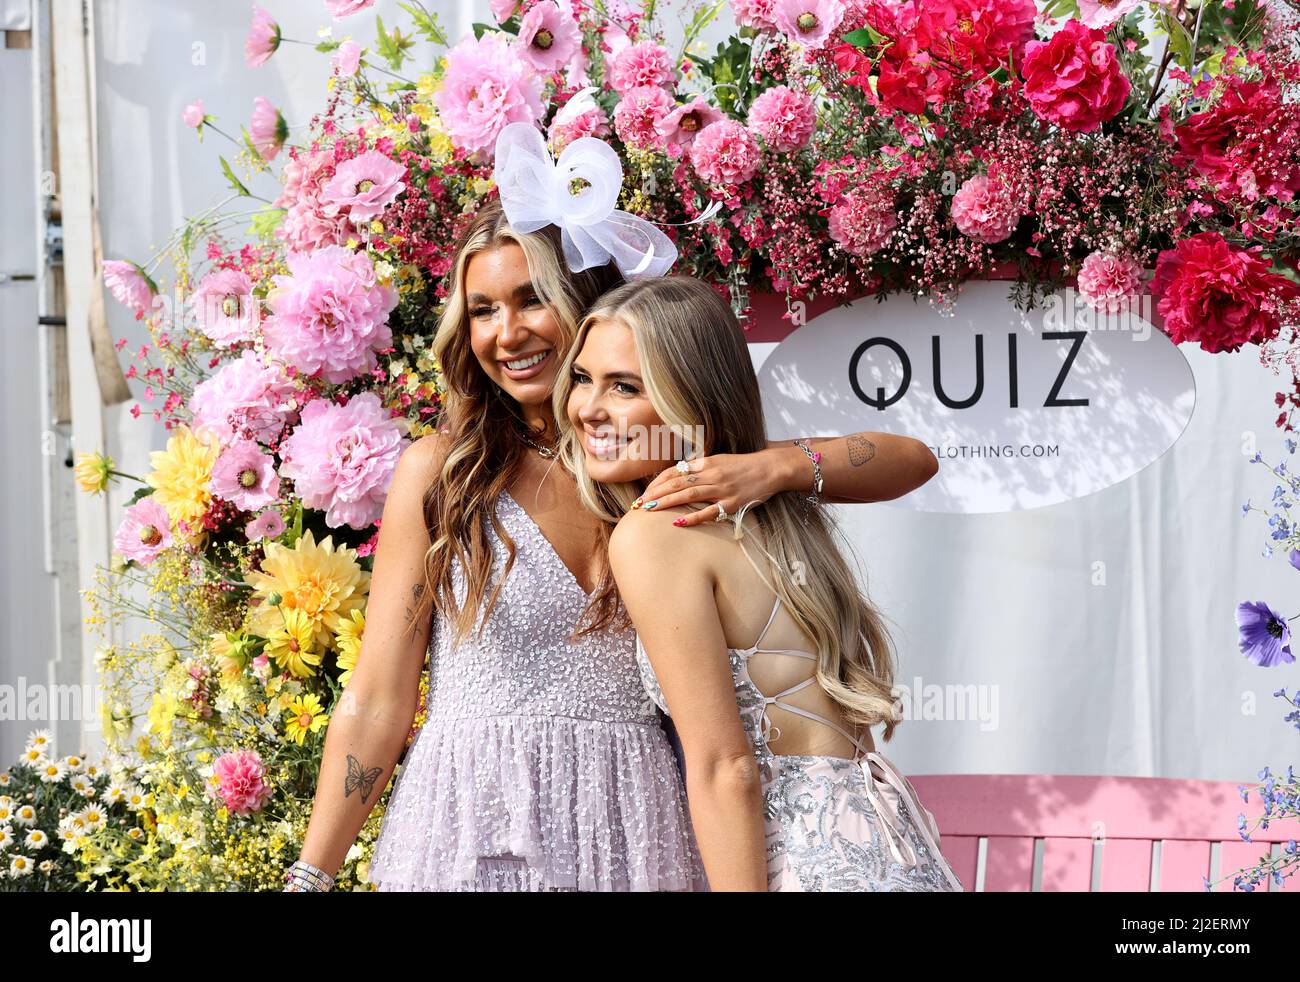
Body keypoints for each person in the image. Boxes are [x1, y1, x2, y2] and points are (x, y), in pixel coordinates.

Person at [284, 123, 942, 893]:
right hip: (473, 820)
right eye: (484, 310)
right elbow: (377, 698)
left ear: (581, 299)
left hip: (643, 825)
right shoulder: (442, 474)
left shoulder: (662, 456)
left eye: (533, 300)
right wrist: (310, 877)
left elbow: (911, 459)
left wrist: (776, 466)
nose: (509, 333)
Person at [554, 274, 964, 892]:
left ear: (687, 399)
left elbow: (727, 767)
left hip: (802, 865)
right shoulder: (772, 498)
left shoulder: (656, 533)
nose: (587, 408)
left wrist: (773, 463)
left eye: (625, 387)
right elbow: (914, 459)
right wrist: (781, 466)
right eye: (582, 378)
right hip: (893, 853)